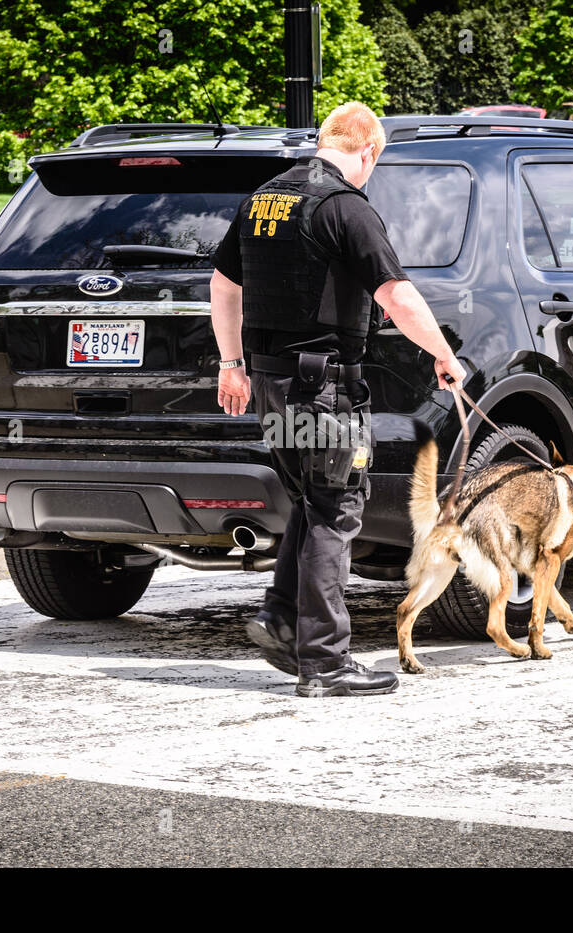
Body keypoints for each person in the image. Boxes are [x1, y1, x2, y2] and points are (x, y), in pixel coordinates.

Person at [209, 101, 466, 697]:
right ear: (370, 149)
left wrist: (231, 364)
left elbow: (223, 284)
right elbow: (396, 297)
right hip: (322, 387)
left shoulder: (264, 198)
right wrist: (443, 355)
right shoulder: (346, 208)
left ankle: (281, 620)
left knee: (312, 498)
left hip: (271, 383)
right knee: (337, 507)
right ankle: (324, 661)